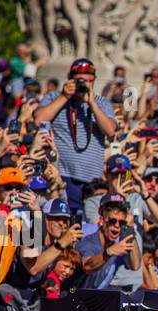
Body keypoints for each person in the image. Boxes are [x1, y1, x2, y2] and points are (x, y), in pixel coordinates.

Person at [33, 58, 118, 214]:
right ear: (70, 79)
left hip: (93, 181)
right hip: (62, 175)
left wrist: (92, 103)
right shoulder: (55, 97)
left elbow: (111, 131)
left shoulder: (102, 103)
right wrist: (65, 97)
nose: (85, 84)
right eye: (81, 80)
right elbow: (38, 119)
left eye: (89, 81)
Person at [73, 196, 140, 290]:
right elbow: (87, 267)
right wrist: (108, 252)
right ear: (101, 221)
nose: (117, 225)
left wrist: (130, 228)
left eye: (121, 223)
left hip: (94, 298)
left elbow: (135, 265)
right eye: (112, 221)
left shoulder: (117, 244)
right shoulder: (89, 241)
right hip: (74, 296)